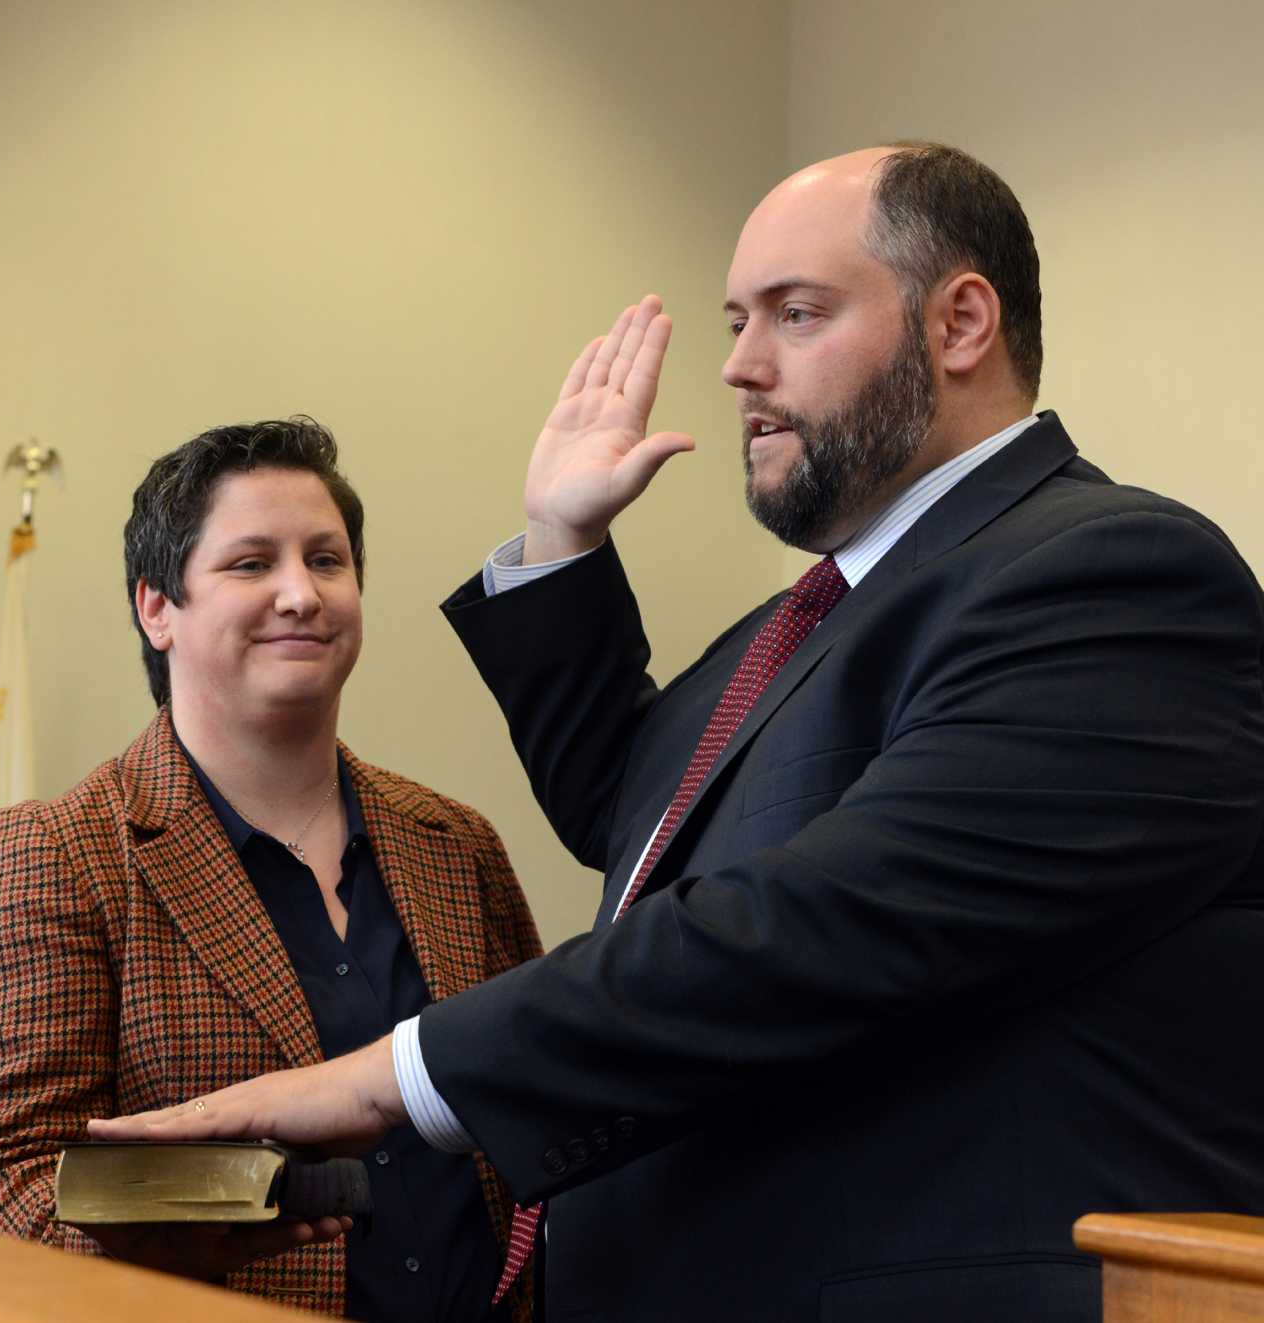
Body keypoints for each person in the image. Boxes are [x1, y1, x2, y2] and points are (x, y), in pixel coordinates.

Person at [93, 144, 1264, 1321]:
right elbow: (643, 822)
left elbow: (819, 926)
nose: (739, 367)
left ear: (959, 321)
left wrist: (394, 1074)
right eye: (734, 322)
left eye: (793, 316)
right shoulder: (822, 613)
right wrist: (560, 545)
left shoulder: (1109, 578)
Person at [0, 419, 543, 1319]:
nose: (300, 593)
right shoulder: (57, 855)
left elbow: (539, 1109)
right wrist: (197, 1227)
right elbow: (1, 1198)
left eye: (327, 560)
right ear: (156, 608)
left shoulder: (457, 843)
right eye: (252, 563)